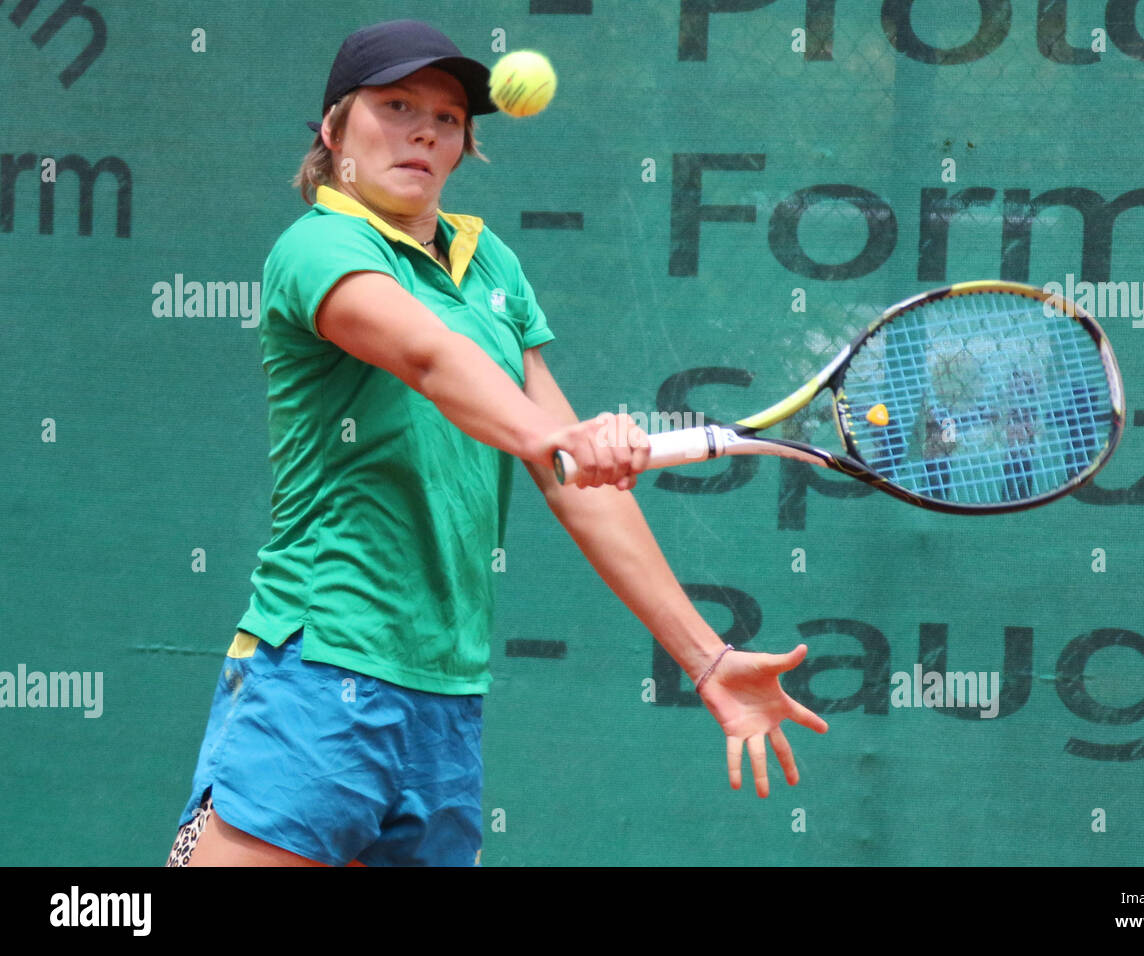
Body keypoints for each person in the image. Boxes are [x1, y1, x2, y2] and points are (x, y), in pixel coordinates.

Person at [167, 19, 827, 868]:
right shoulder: (318, 247)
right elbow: (431, 358)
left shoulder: (490, 268)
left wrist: (707, 659)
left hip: (446, 696)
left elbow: (569, 483)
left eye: (447, 119)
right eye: (396, 105)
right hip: (317, 665)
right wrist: (562, 436)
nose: (424, 131)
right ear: (334, 131)